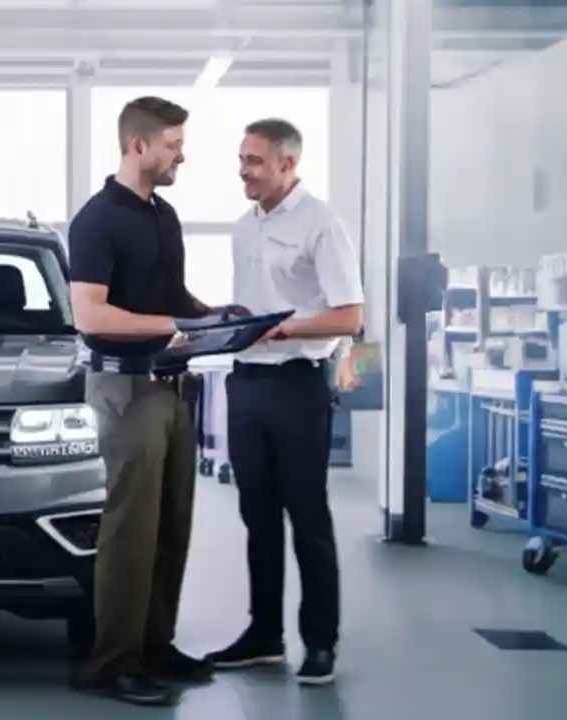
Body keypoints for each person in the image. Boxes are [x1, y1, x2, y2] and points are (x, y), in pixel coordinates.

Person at [66, 96, 230, 706]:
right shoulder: (96, 220)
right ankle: (111, 662)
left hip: (170, 388)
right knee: (130, 532)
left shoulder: (164, 215)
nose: (181, 155)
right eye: (173, 144)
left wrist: (216, 316)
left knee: (170, 527)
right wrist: (170, 326)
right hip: (123, 388)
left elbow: (172, 294)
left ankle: (155, 645)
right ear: (139, 145)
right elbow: (91, 313)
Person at [205, 118, 364, 686]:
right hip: (246, 383)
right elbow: (255, 302)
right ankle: (263, 635)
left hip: (298, 384)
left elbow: (350, 315)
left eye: (254, 161)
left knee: (308, 517)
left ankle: (320, 642)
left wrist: (284, 330)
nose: (243, 171)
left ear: (288, 164)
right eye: (241, 159)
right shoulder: (244, 227)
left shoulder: (321, 224)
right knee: (257, 517)